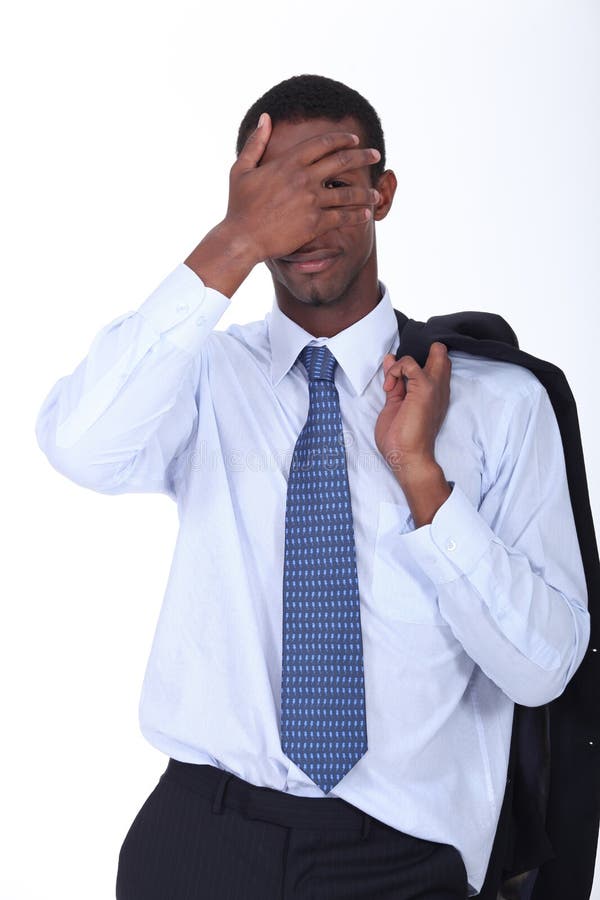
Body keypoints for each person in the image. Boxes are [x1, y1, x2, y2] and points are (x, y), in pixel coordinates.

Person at [35, 74, 590, 900]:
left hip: (405, 859)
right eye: (276, 193)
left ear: (383, 192)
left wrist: (423, 481)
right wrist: (231, 242)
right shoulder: (200, 379)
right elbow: (78, 444)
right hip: (202, 839)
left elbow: (543, 671)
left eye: (333, 184)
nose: (306, 219)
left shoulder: (499, 404)